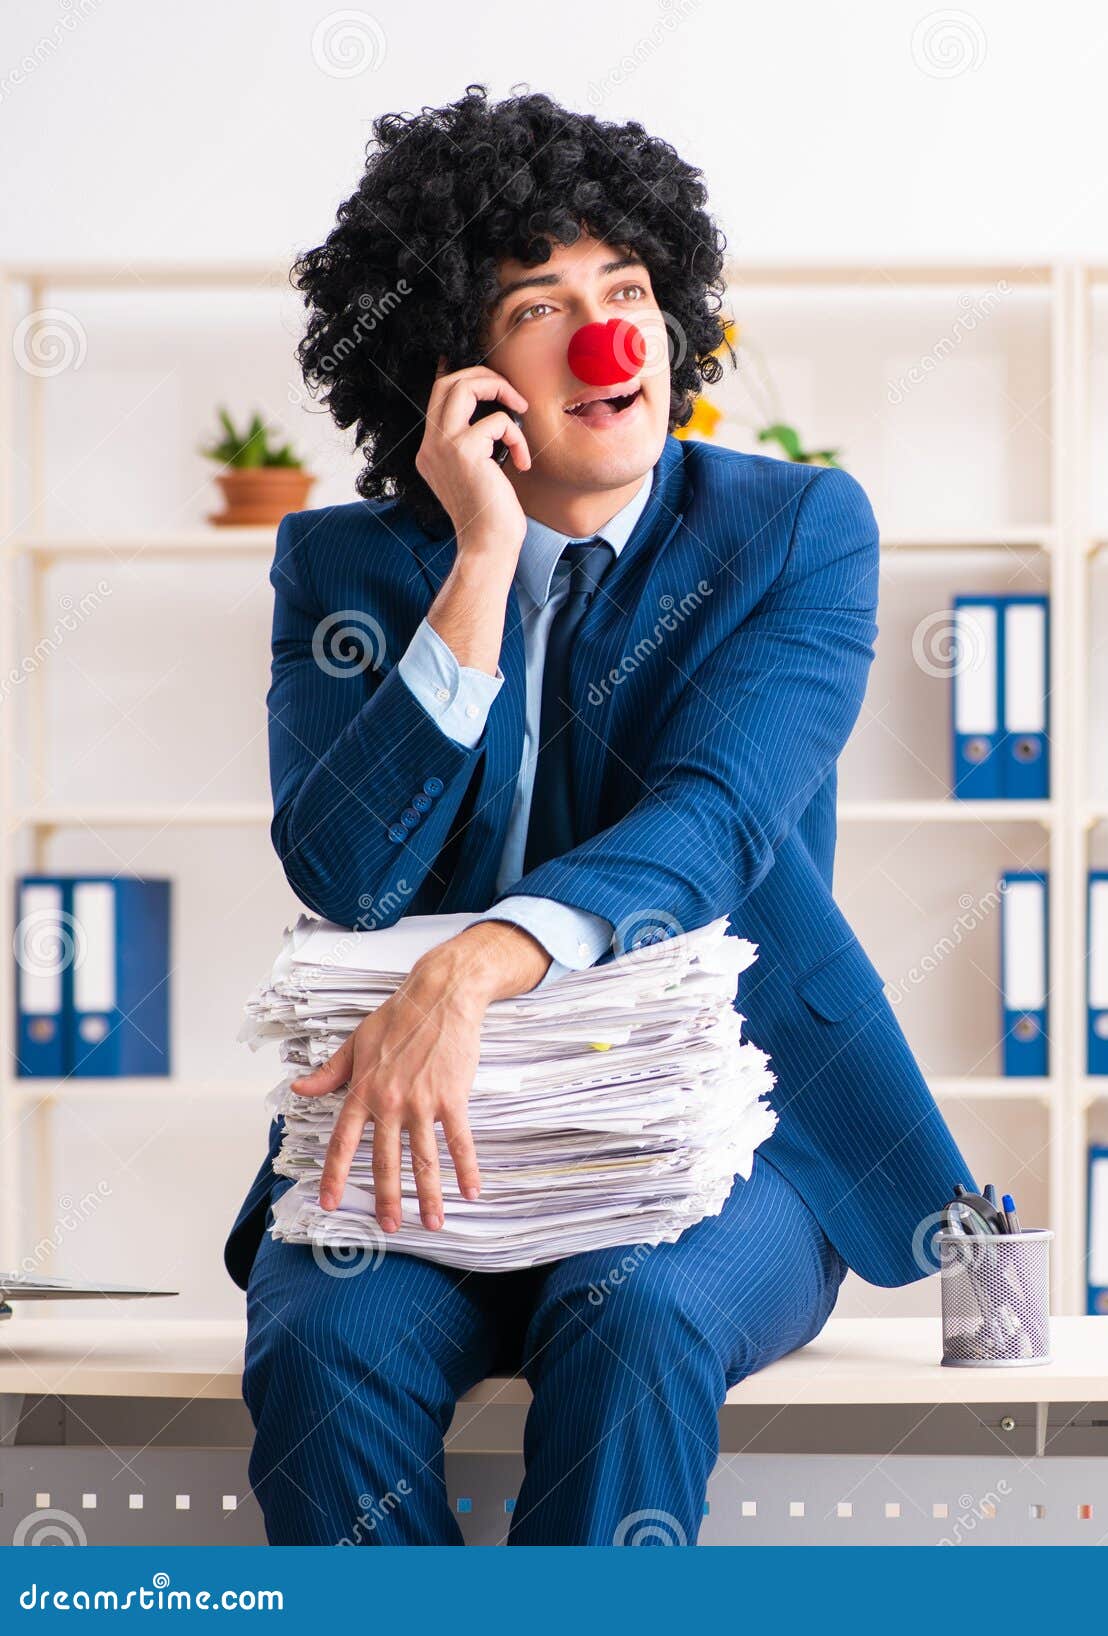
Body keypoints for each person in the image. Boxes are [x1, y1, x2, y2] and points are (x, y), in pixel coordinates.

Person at [224, 85, 973, 1546]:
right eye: (540, 308)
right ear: (455, 374)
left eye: (626, 292)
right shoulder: (344, 566)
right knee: (318, 1350)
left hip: (717, 1139)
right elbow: (346, 873)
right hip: (423, 1151)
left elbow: (715, 817)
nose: (604, 340)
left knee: (629, 1319)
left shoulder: (794, 533)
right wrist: (479, 564)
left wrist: (472, 966)